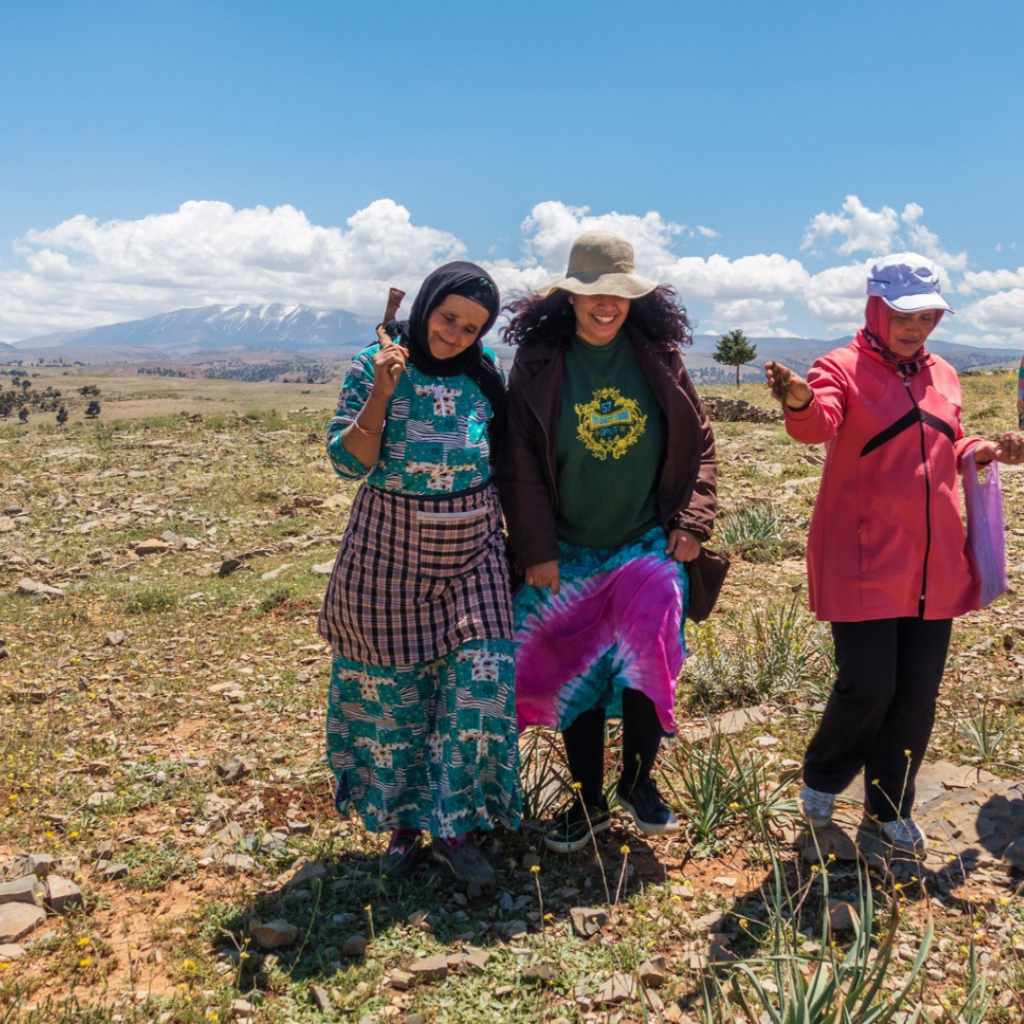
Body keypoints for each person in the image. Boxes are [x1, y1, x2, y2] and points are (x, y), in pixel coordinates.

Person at [764, 252, 1024, 854]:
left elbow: (954, 442)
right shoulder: (841, 367)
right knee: (867, 683)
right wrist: (800, 400)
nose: (917, 327)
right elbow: (819, 424)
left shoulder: (945, 375)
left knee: (917, 692)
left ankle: (890, 805)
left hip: (934, 561)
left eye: (929, 315)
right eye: (905, 315)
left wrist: (991, 450)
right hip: (865, 557)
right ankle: (825, 776)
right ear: (875, 307)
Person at [498, 231, 717, 853]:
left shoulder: (658, 355)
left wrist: (691, 523)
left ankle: (639, 782)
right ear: (569, 298)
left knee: (648, 648)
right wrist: (536, 548)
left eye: (617, 295)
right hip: (566, 549)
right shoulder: (540, 363)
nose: (605, 305)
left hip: (643, 542)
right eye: (592, 294)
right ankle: (589, 799)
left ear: (632, 300)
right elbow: (518, 463)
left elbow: (699, 445)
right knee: (579, 669)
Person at [318, 262, 520, 885]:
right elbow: (348, 464)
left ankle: (459, 824)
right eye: (447, 318)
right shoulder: (373, 365)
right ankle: (405, 824)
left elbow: (510, 461)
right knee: (392, 694)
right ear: (425, 307)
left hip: (474, 552)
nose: (457, 335)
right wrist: (381, 391)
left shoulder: (485, 376)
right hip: (388, 551)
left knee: (480, 680)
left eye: (472, 327)